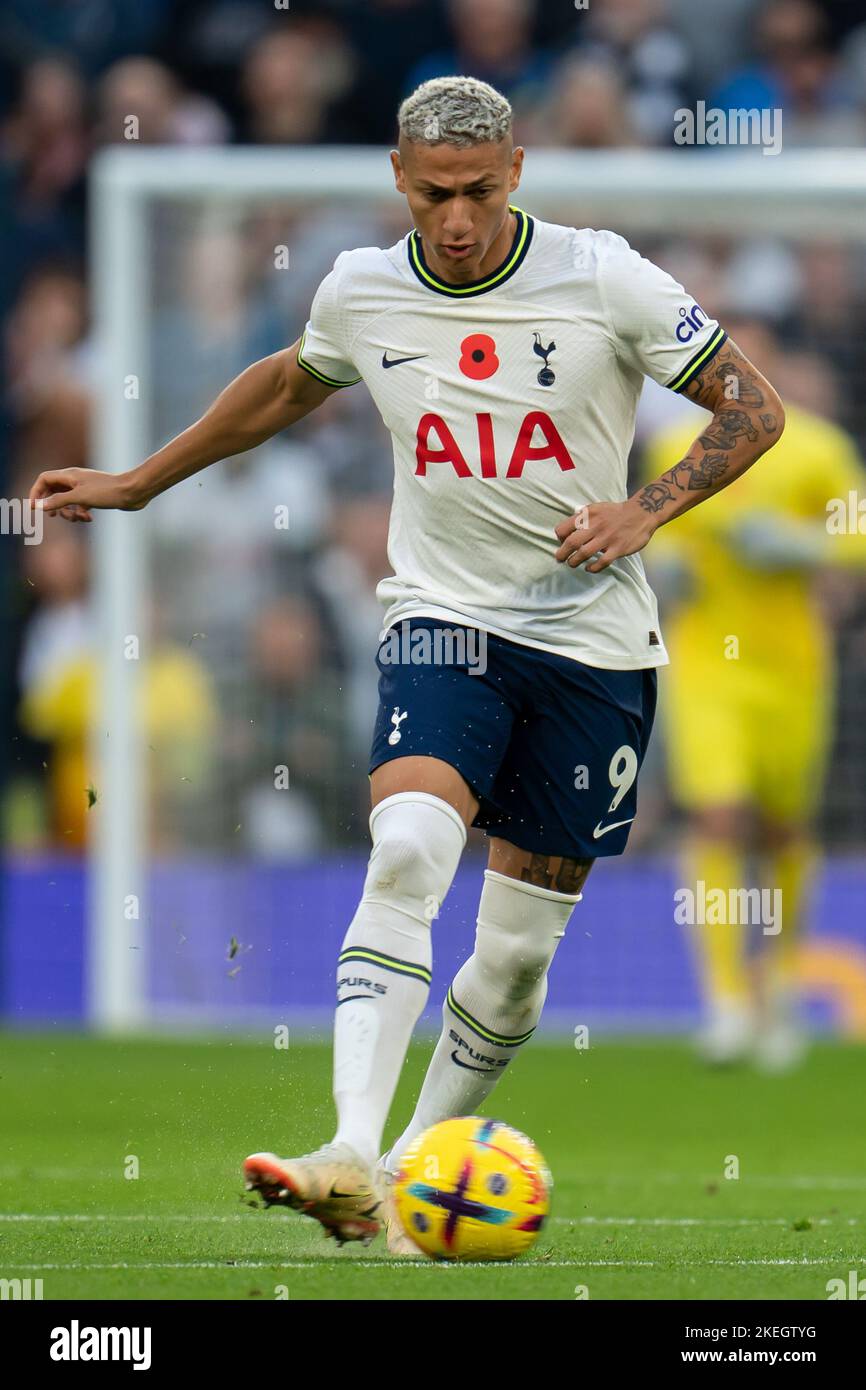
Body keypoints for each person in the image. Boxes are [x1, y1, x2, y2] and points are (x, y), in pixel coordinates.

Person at [30, 76, 785, 1254]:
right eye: (434, 193)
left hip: (591, 646)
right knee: (411, 843)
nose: (457, 218)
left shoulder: (604, 277)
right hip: (442, 621)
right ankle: (345, 1144)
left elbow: (751, 409)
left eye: (480, 191)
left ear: (516, 173)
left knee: (516, 956)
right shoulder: (362, 289)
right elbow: (288, 381)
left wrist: (646, 508)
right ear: (398, 178)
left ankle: (393, 1173)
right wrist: (136, 480)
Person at [643, 315, 866, 1070]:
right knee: (719, 813)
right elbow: (653, 531)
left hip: (794, 664)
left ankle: (777, 995)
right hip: (707, 660)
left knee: (783, 832)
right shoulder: (677, 445)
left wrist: (807, 545)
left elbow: (860, 532)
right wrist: (665, 566)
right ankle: (726, 1001)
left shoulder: (817, 448)